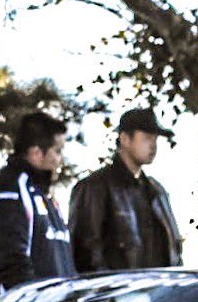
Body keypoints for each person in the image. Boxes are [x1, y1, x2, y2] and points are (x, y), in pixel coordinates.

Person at [69, 106, 184, 273]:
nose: (153, 146)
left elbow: (174, 254)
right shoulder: (95, 187)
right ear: (125, 139)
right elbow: (86, 255)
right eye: (146, 138)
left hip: (159, 294)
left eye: (155, 139)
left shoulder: (157, 192)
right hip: (118, 295)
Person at [0, 111, 76, 299]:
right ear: (36, 153)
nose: (60, 160)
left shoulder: (46, 195)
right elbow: (12, 265)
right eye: (57, 151)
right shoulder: (9, 191)